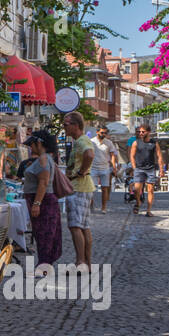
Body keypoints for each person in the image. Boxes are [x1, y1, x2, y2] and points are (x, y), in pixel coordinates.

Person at [22, 129, 62, 272]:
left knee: (44, 234)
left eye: (32, 145)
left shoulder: (43, 159)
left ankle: (43, 267)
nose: (31, 148)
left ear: (39, 143)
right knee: (45, 234)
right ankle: (45, 265)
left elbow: (43, 182)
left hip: (43, 201)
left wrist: (37, 204)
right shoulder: (46, 158)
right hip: (44, 200)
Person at [62, 112, 95, 268]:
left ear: (75, 125)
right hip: (84, 187)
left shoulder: (82, 141)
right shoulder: (79, 141)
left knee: (76, 226)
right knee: (84, 226)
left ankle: (80, 262)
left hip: (79, 187)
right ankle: (86, 262)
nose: (63, 127)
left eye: (65, 124)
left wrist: (81, 172)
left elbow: (89, 154)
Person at [130, 124, 164, 216]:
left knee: (151, 189)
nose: (140, 133)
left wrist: (161, 169)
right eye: (139, 132)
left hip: (150, 169)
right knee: (137, 190)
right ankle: (138, 202)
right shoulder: (136, 143)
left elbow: (159, 156)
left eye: (143, 131)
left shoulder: (154, 143)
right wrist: (134, 167)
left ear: (148, 132)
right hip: (139, 168)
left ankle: (148, 210)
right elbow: (132, 156)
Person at [89, 126, 120, 212]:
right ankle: (91, 205)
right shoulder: (91, 142)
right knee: (92, 188)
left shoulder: (109, 142)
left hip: (105, 167)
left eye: (106, 133)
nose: (104, 134)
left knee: (105, 188)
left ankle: (104, 207)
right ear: (97, 132)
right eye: (102, 133)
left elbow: (113, 155)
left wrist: (114, 167)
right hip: (93, 167)